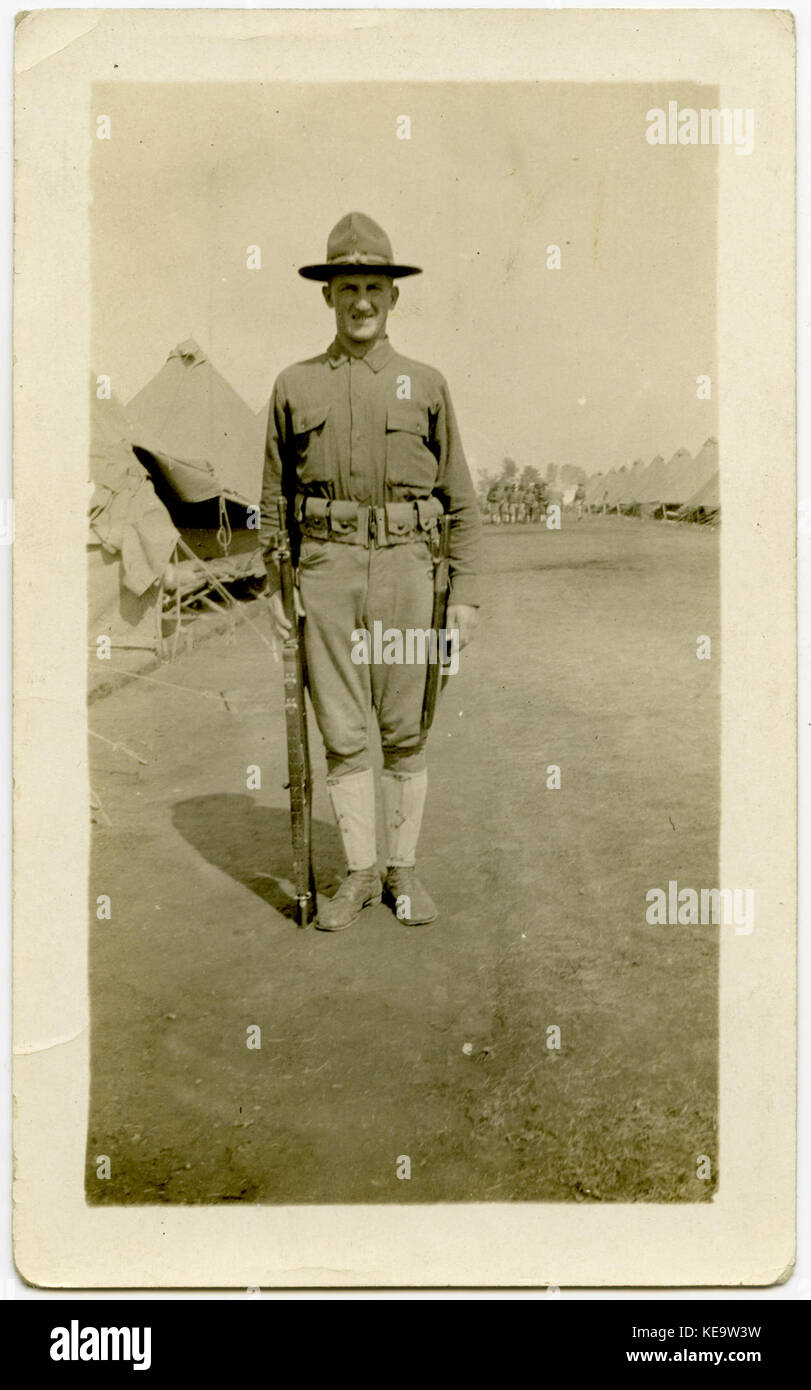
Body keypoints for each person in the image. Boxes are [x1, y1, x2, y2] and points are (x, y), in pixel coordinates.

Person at [259, 212, 481, 931]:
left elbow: (462, 500)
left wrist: (465, 598)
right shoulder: (293, 385)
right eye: (347, 286)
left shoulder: (427, 383)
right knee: (343, 728)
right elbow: (271, 502)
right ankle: (357, 873)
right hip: (324, 571)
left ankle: (403, 869)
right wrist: (274, 587)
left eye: (373, 288)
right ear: (327, 294)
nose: (360, 301)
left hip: (407, 572)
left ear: (393, 299)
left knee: (404, 727)